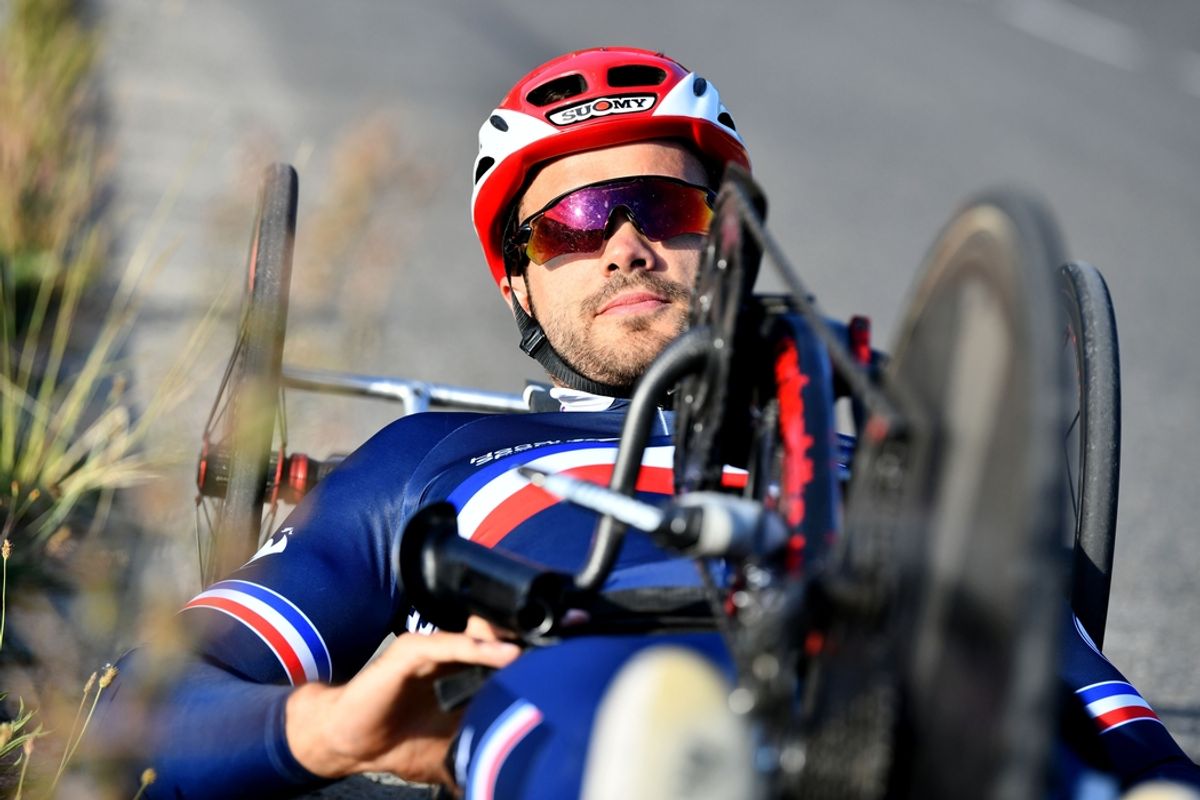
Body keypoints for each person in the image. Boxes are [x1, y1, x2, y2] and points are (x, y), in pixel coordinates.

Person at [98, 47, 1199, 799]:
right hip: (597, 706)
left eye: (663, 211)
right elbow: (137, 708)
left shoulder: (866, 442)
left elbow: (1078, 680)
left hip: (896, 699)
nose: (625, 245)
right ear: (518, 285)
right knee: (620, 725)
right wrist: (327, 728)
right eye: (576, 223)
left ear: (727, 242)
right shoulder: (431, 462)